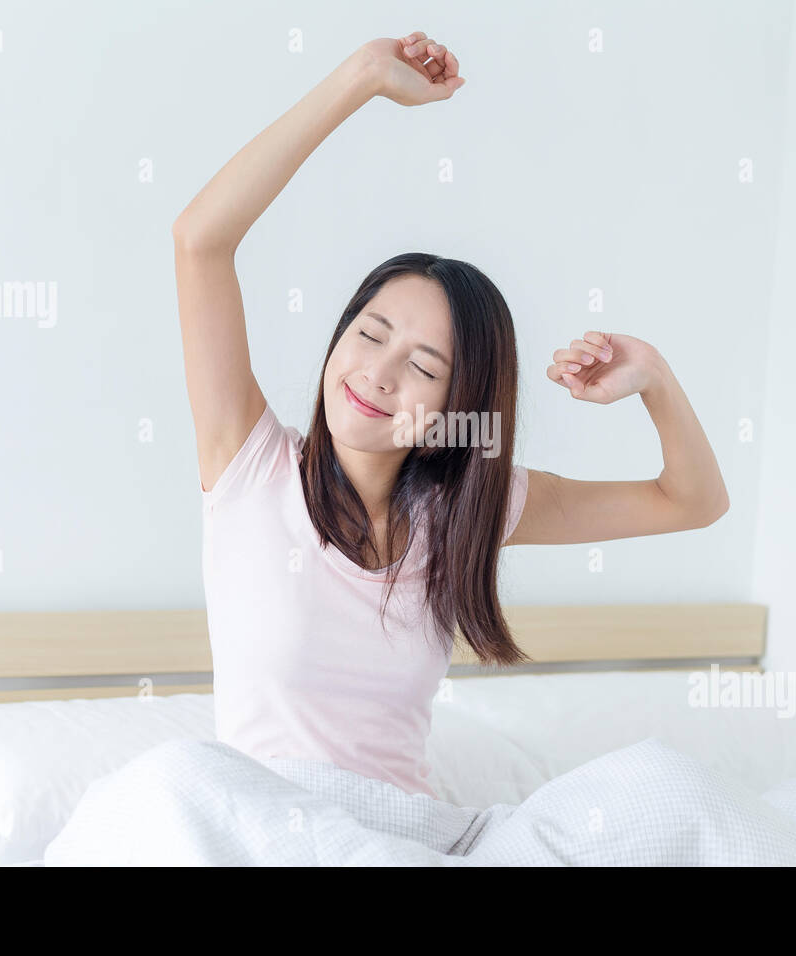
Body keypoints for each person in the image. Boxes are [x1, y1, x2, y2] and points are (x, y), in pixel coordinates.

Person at [171, 30, 729, 800]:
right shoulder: (248, 467)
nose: (378, 372)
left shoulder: (465, 508)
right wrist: (362, 77)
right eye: (369, 334)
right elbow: (200, 240)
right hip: (274, 837)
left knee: (673, 792)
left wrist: (656, 381)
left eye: (424, 367)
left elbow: (693, 502)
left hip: (409, 840)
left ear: (449, 414)